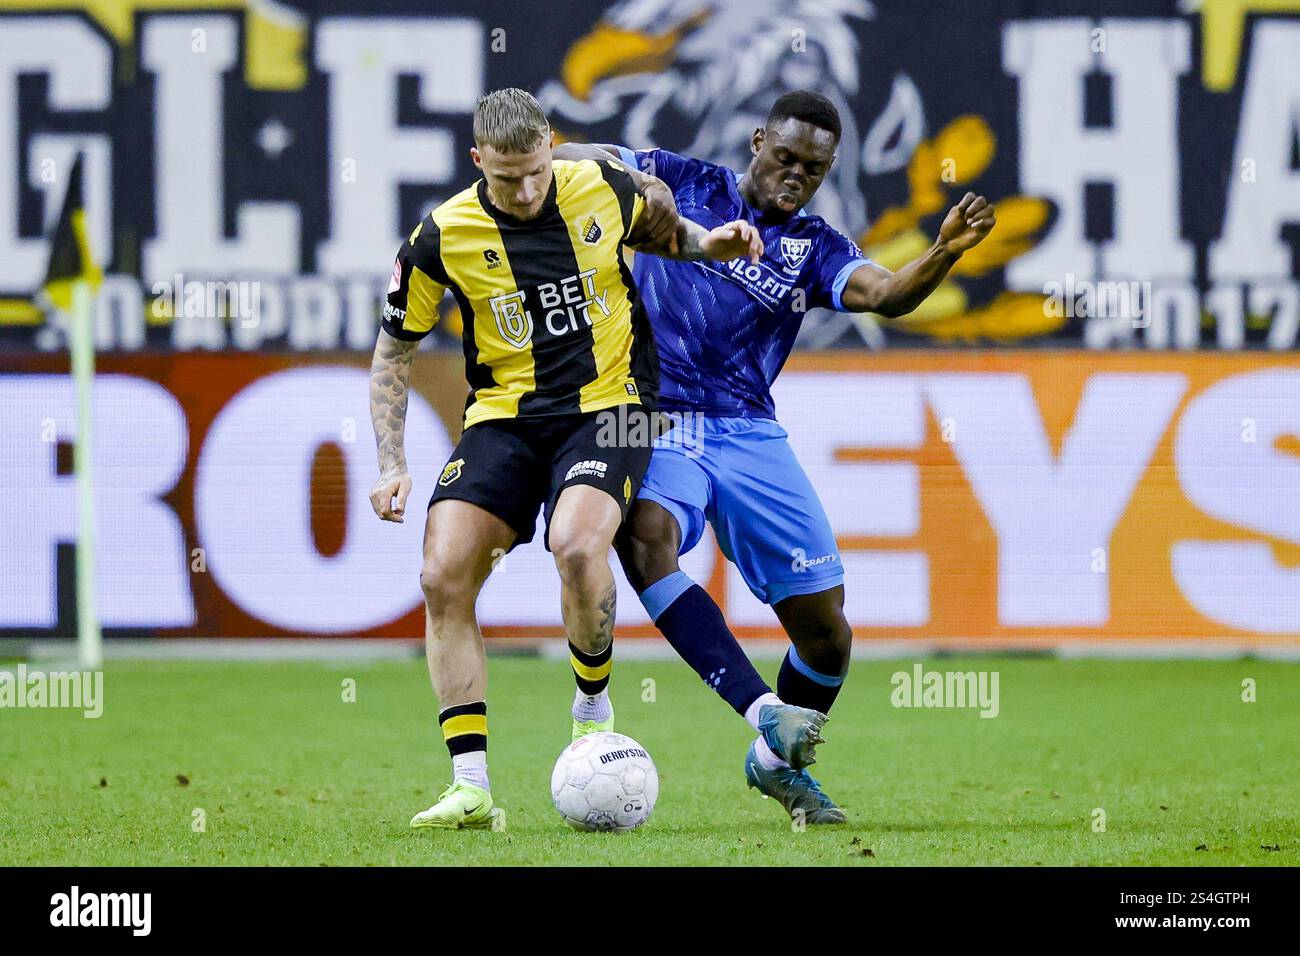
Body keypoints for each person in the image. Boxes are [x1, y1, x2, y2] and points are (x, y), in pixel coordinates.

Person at [554, 89, 996, 824]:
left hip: (749, 432)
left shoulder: (817, 248)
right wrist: (618, 170)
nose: (795, 175)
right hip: (652, 416)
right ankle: (760, 710)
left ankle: (772, 763)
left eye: (812, 168)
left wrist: (944, 250)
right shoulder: (684, 180)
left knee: (829, 637)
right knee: (643, 540)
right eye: (785, 157)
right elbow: (573, 159)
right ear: (758, 141)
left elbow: (885, 295)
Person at [368, 88, 766, 830]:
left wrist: (708, 244)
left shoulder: (601, 187)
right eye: (505, 177)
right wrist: (391, 461)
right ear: (477, 160)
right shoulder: (441, 236)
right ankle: (471, 784)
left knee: (578, 546)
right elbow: (395, 350)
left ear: (552, 147)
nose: (522, 191)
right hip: (504, 421)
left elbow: (664, 232)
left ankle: (591, 715)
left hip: (611, 409)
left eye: (535, 172)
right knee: (440, 572)